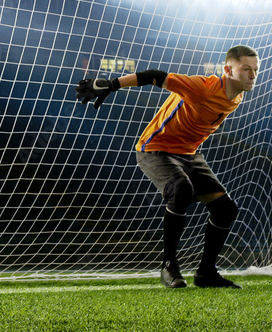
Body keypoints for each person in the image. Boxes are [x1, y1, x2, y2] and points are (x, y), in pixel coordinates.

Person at [75, 45, 259, 289]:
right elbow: (155, 76)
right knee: (181, 188)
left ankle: (206, 273)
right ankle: (169, 265)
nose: (252, 75)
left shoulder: (237, 96)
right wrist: (112, 84)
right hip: (156, 148)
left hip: (188, 154)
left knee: (225, 209)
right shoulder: (202, 86)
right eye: (246, 69)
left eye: (255, 70)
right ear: (227, 70)